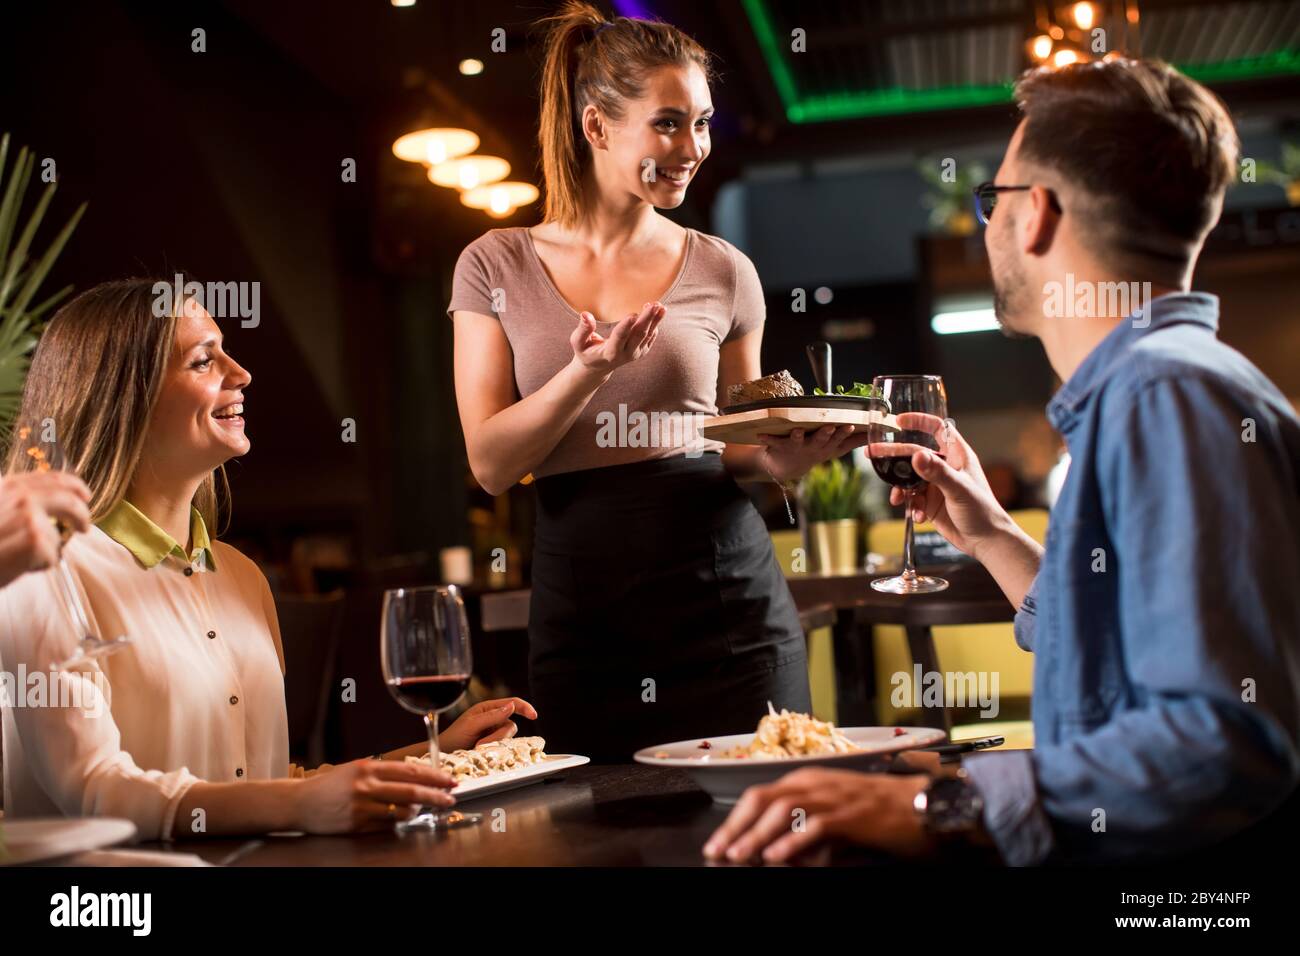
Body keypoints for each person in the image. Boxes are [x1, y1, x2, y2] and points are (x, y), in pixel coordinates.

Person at [705, 57, 1300, 865]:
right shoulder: (1164, 388)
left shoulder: (1164, 398)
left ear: (1039, 215)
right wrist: (987, 532)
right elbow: (1119, 655)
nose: (985, 225)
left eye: (994, 200)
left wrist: (942, 804)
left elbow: (1218, 743)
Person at [448, 1, 863, 760]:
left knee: (765, 832)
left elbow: (738, 443)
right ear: (597, 126)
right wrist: (584, 373)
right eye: (669, 122)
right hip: (585, 612)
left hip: (729, 606)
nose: (693, 146)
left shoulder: (725, 269)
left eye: (702, 122)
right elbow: (491, 464)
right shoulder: (492, 264)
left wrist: (784, 463)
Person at [0, 278, 535, 840]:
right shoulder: (42, 572)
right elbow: (95, 790)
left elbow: (268, 782)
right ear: (121, 397)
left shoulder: (239, 574)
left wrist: (434, 756)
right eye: (204, 361)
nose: (241, 373)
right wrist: (298, 804)